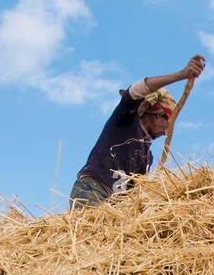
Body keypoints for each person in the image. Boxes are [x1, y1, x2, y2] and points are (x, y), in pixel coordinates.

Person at [68, 54, 206, 209]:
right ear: (155, 113)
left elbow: (136, 194)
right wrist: (182, 75)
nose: (168, 130)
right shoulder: (126, 119)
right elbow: (135, 91)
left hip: (114, 207)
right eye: (168, 121)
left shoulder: (147, 157)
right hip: (93, 190)